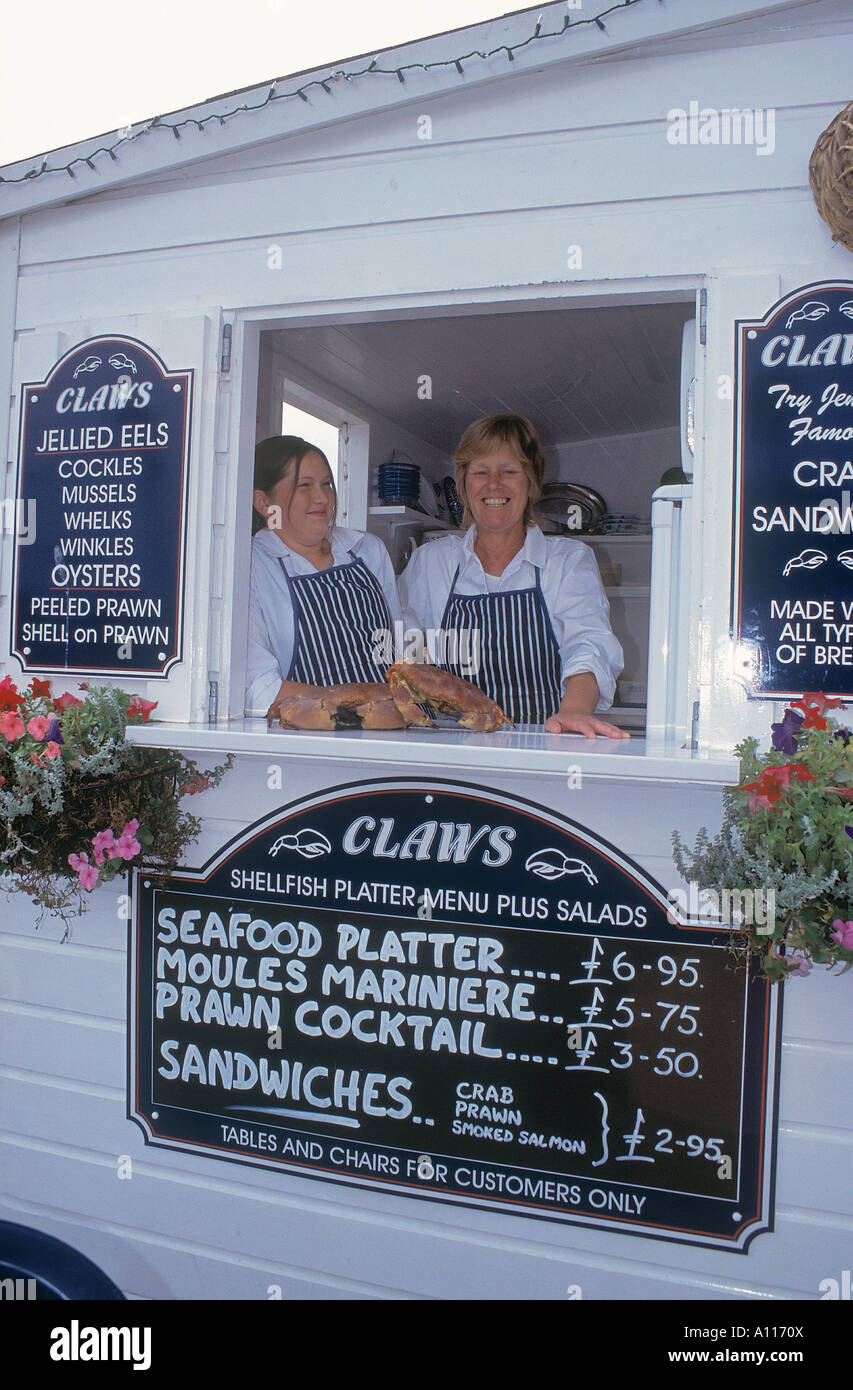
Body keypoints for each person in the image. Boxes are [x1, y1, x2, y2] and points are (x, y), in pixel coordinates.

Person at [398, 414, 628, 737]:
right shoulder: (430, 563)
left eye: (509, 471)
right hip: (448, 758)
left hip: (540, 754)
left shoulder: (567, 562)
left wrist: (573, 710)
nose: (494, 484)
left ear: (530, 481)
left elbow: (588, 646)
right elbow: (402, 656)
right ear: (464, 482)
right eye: (480, 472)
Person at [246, 436, 401, 716]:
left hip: (391, 728)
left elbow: (397, 651)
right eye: (304, 485)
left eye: (327, 484)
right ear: (264, 502)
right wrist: (357, 705)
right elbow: (259, 688)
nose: (322, 497)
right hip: (311, 744)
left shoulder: (368, 550)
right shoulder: (250, 565)